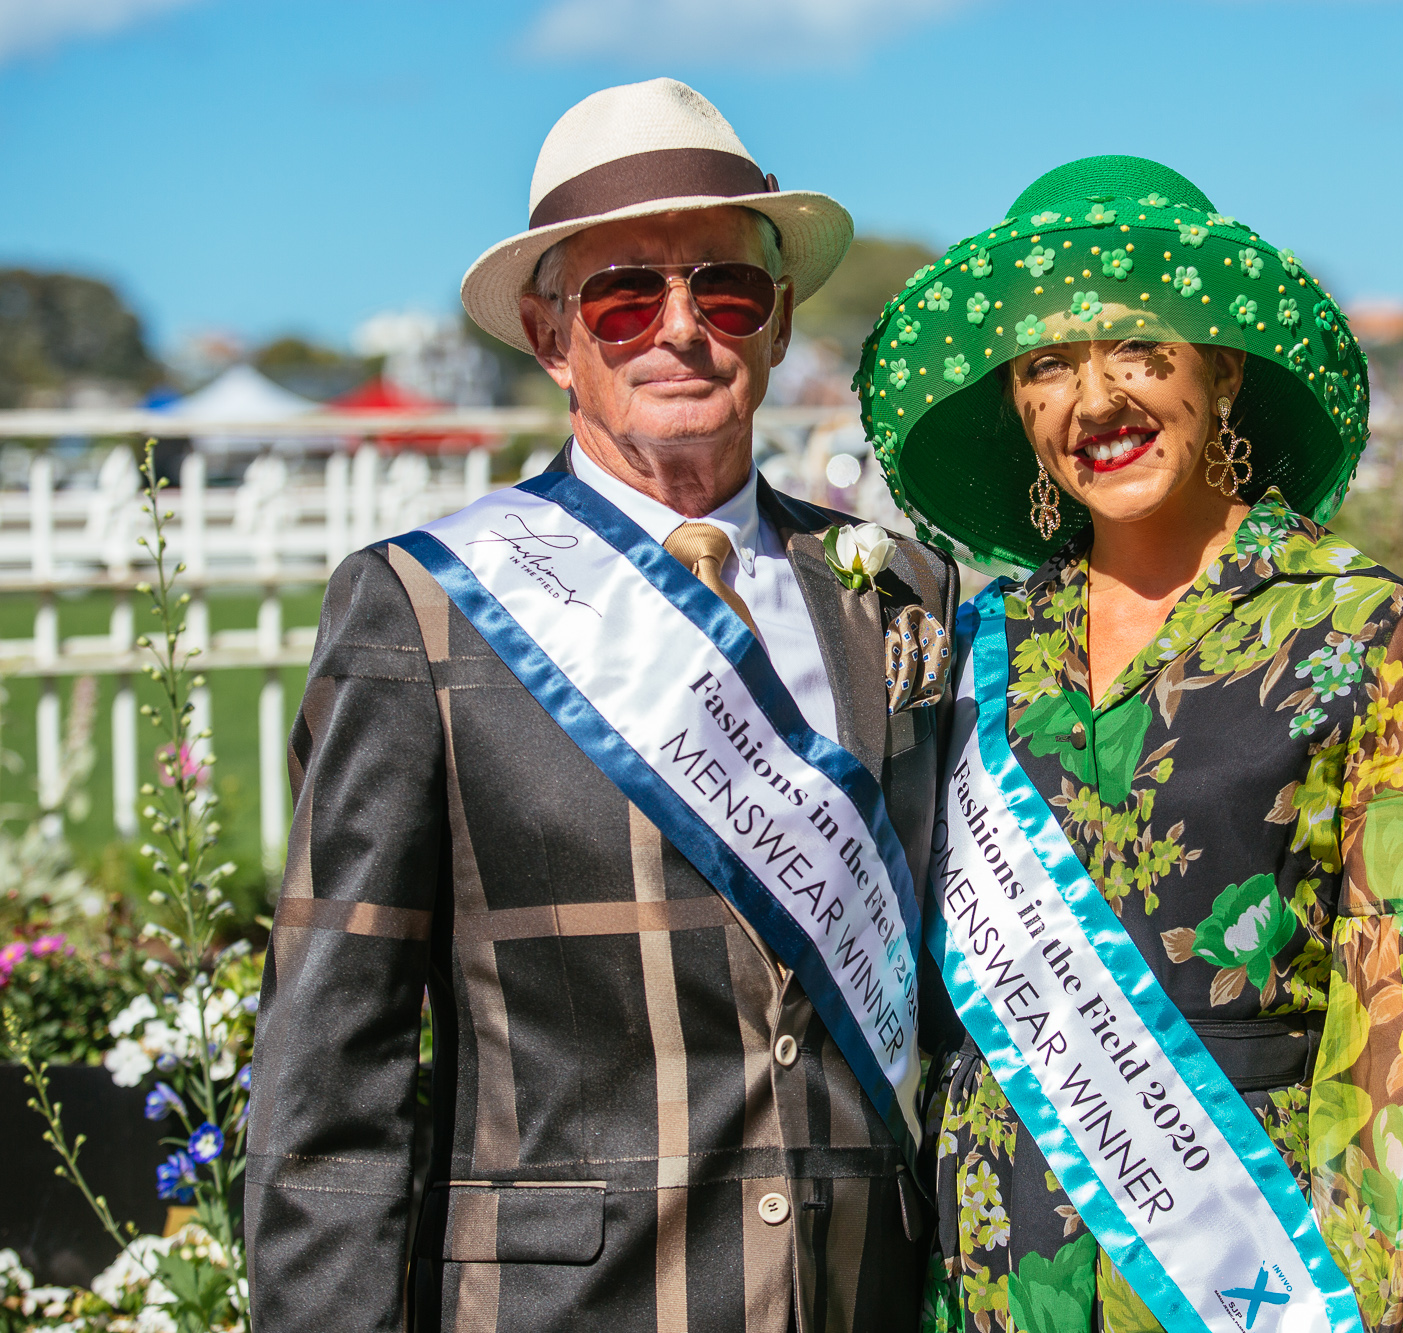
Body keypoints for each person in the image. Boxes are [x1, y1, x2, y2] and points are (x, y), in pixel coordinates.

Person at [245, 78, 958, 1333]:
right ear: (549, 333)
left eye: (724, 290)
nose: (680, 330)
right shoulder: (423, 610)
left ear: (778, 321)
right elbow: (331, 1079)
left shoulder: (899, 593)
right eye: (625, 295)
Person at [857, 157, 1403, 1332]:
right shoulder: (978, 643)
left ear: (1221, 368)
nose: (1093, 400)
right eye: (1046, 365)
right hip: (995, 1260)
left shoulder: (1368, 636)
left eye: (1135, 347)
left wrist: (1369, 1296)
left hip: (1251, 1264)